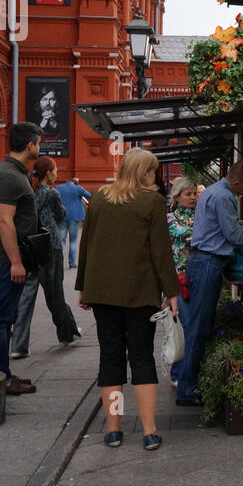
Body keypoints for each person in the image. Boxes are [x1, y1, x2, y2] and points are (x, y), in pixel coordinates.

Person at [76, 148, 179, 449]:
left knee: (110, 358)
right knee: (141, 357)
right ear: (145, 172)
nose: (155, 176)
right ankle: (148, 430)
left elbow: (87, 245)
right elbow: (160, 251)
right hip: (140, 292)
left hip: (102, 292)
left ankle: (113, 429)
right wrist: (170, 291)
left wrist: (84, 286)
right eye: (153, 171)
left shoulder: (99, 198)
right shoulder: (152, 201)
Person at [178, 159, 243, 406]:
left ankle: (187, 384)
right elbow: (235, 235)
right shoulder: (224, 197)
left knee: (199, 326)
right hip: (208, 263)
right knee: (199, 328)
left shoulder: (215, 190)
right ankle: (186, 389)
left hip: (204, 261)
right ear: (236, 182)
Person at [0, 122, 42, 396]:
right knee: (0, 318)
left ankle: (4, 372)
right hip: (7, 260)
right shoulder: (9, 175)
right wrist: (16, 262)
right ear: (30, 145)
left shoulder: (11, 172)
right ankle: (1, 377)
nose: (39, 147)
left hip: (9, 258)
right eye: (38, 143)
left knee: (5, 318)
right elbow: (6, 223)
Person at [10, 156, 80, 359]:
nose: (57, 173)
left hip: (29, 248)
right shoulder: (52, 194)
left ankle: (19, 346)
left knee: (26, 296)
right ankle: (66, 333)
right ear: (48, 173)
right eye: (55, 170)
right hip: (50, 248)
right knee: (54, 293)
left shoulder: (27, 192)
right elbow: (61, 215)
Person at [166, 177, 199, 386]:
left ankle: (184, 374)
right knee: (186, 327)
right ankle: (179, 375)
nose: (193, 198)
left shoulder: (199, 216)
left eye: (195, 193)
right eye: (188, 194)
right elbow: (185, 234)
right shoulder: (170, 220)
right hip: (178, 280)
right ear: (177, 198)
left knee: (195, 328)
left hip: (197, 277)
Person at [56, 176, 92, 269]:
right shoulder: (78, 189)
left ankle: (57, 262)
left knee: (61, 240)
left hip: (62, 216)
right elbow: (89, 195)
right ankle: (72, 263)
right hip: (74, 218)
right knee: (73, 241)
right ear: (76, 183)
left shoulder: (59, 188)